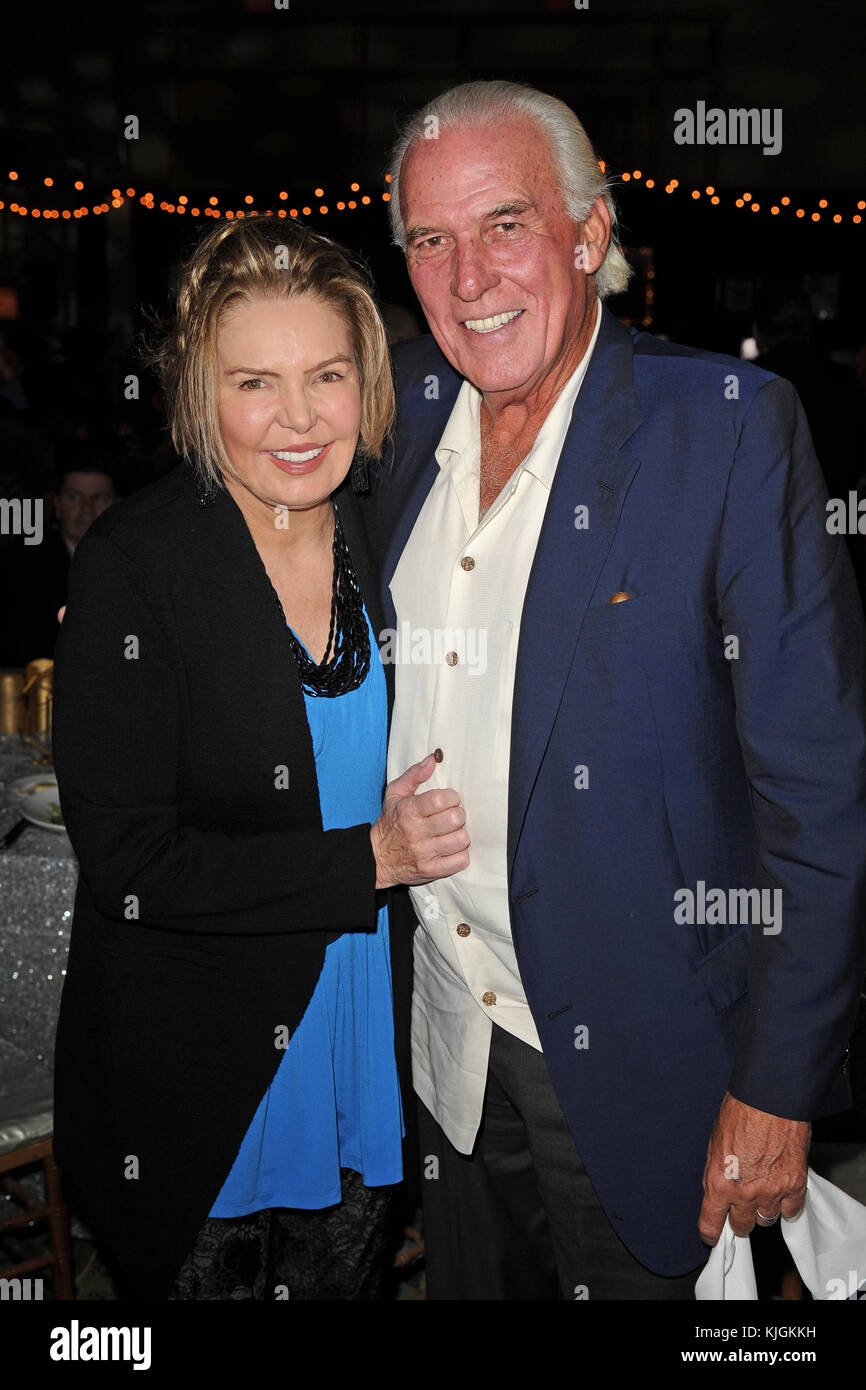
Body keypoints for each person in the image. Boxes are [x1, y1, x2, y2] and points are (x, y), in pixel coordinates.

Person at [373, 79, 866, 1299]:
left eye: (503, 224)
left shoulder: (726, 430)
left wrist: (776, 1083)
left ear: (588, 237)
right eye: (429, 240)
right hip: (445, 1045)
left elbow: (820, 792)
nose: (467, 275)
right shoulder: (391, 416)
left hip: (646, 1060)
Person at [51, 216, 470, 1300]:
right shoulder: (137, 568)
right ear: (199, 393)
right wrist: (362, 860)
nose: (296, 418)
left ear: (365, 379)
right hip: (209, 1068)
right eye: (254, 382)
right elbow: (132, 865)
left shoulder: (388, 528)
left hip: (363, 1038)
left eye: (326, 374)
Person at [0, 452, 116, 666]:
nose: (87, 508)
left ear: (115, 504)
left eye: (99, 498)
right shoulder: (19, 564)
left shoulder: (136, 564)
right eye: (74, 497)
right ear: (57, 504)